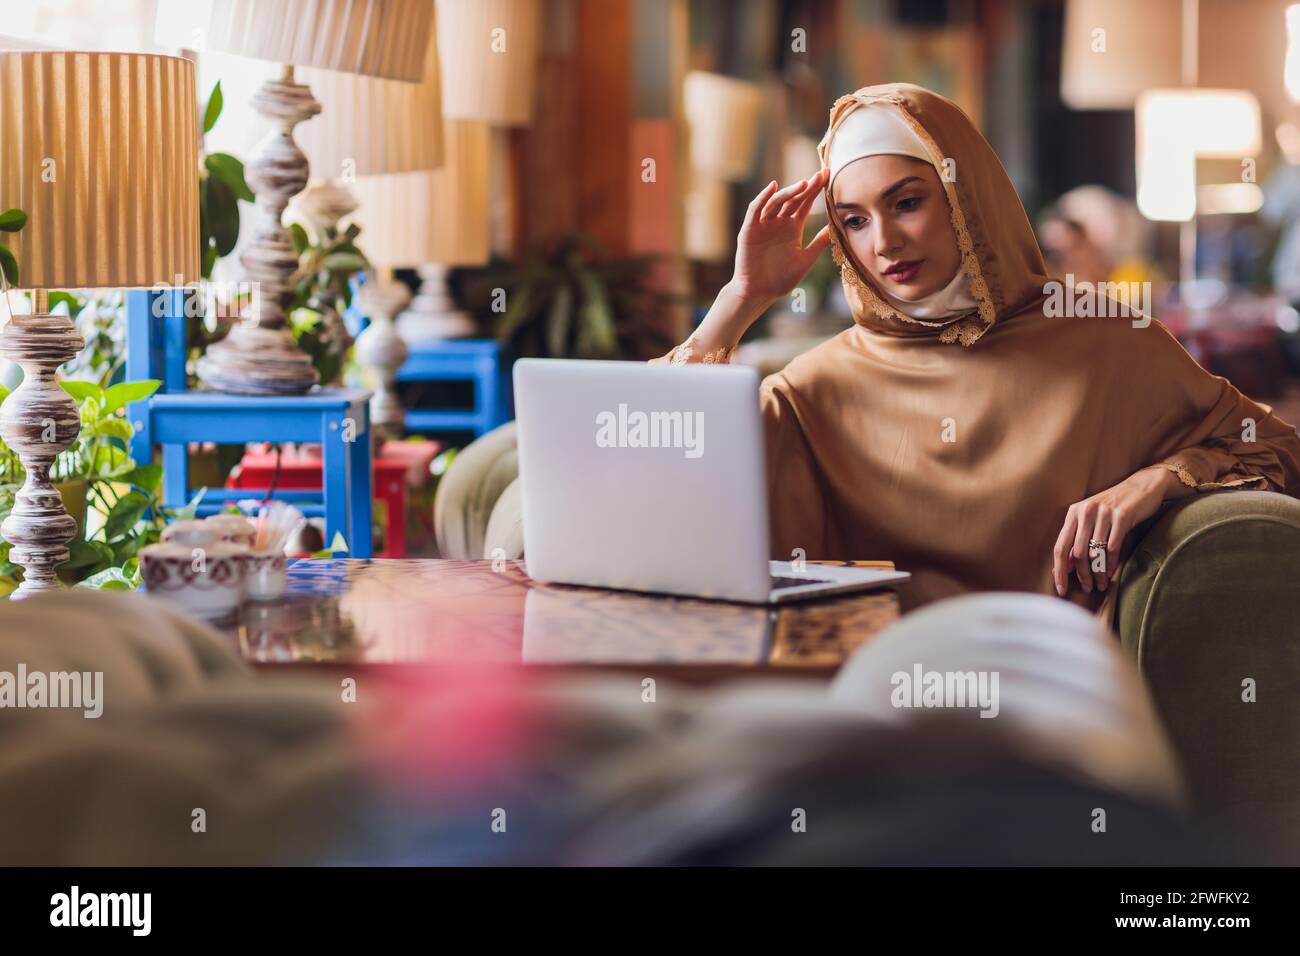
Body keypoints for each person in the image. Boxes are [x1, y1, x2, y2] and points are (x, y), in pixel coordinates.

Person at [655, 83, 1300, 614]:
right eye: (853, 219)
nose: (883, 242)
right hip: (860, 703)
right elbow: (655, 468)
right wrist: (739, 299)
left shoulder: (1103, 341)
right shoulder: (812, 389)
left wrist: (1159, 479)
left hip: (1059, 702)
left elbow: (1278, 450)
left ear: (966, 197)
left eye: (906, 203)